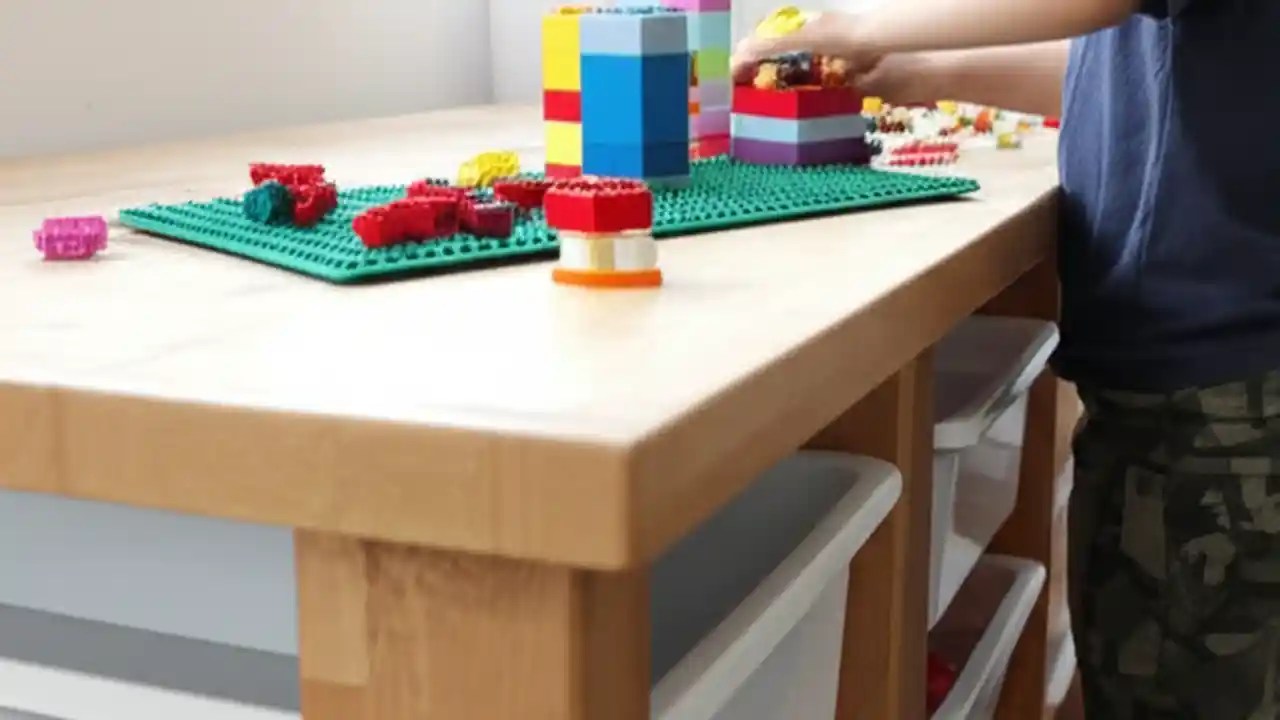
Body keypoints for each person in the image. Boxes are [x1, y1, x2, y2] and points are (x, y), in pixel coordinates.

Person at [734, 2, 1280, 718]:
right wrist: (931, 71)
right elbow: (1127, 75)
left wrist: (867, 26)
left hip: (1216, 401)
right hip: (1200, 385)